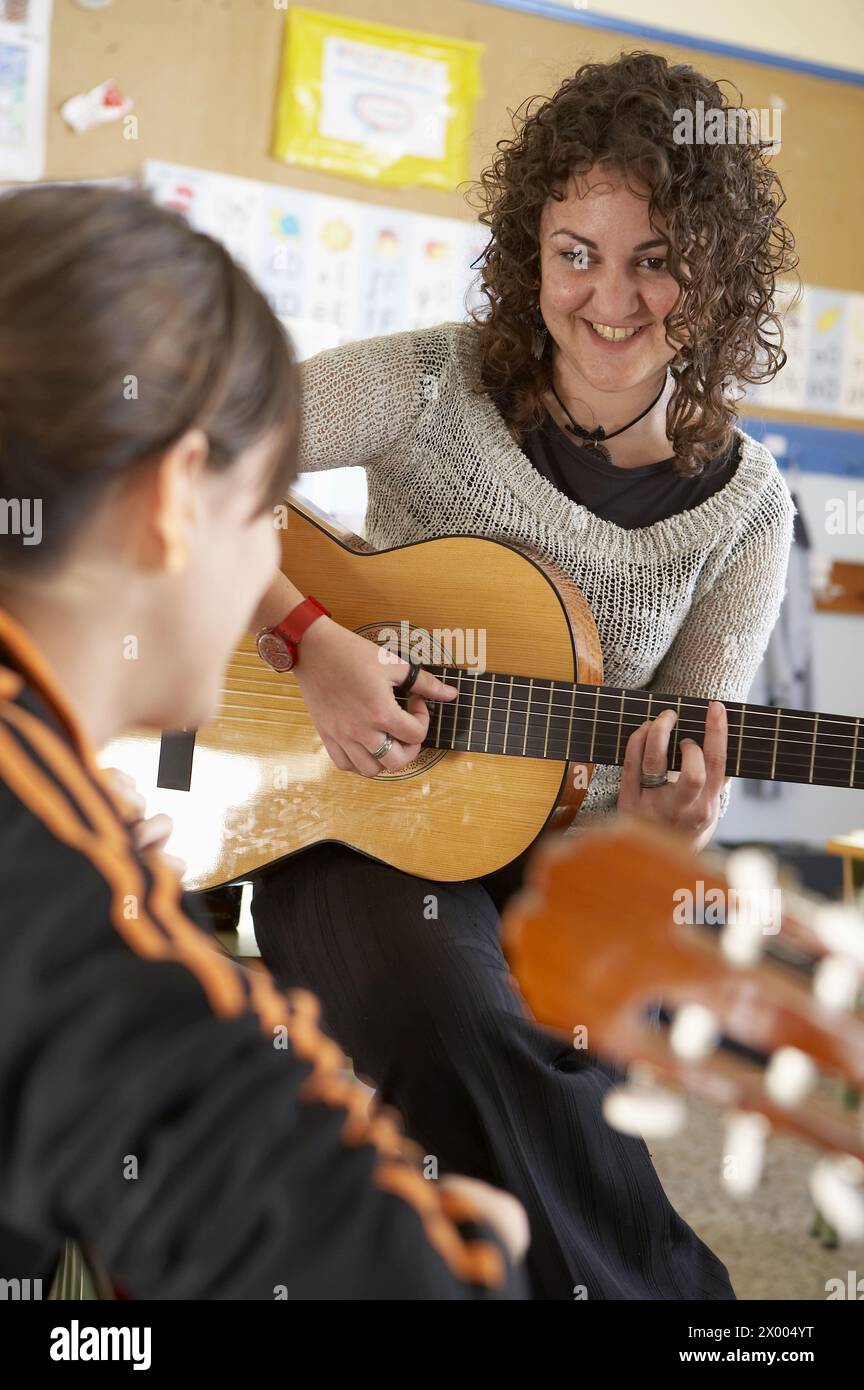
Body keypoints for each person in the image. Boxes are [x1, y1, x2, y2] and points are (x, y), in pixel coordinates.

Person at [250, 52, 797, 1299]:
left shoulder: (746, 512)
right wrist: (308, 639)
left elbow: (645, 829)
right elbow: (187, 454)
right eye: (575, 253)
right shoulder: (432, 382)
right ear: (529, 255)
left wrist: (658, 833)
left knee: (575, 1049)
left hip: (544, 866)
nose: (612, 297)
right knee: (446, 1017)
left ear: (713, 274)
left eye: (656, 256)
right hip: (347, 814)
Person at [0, 184, 529, 1300]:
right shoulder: (47, 866)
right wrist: (472, 1255)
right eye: (270, 513)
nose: (274, 574)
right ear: (175, 500)